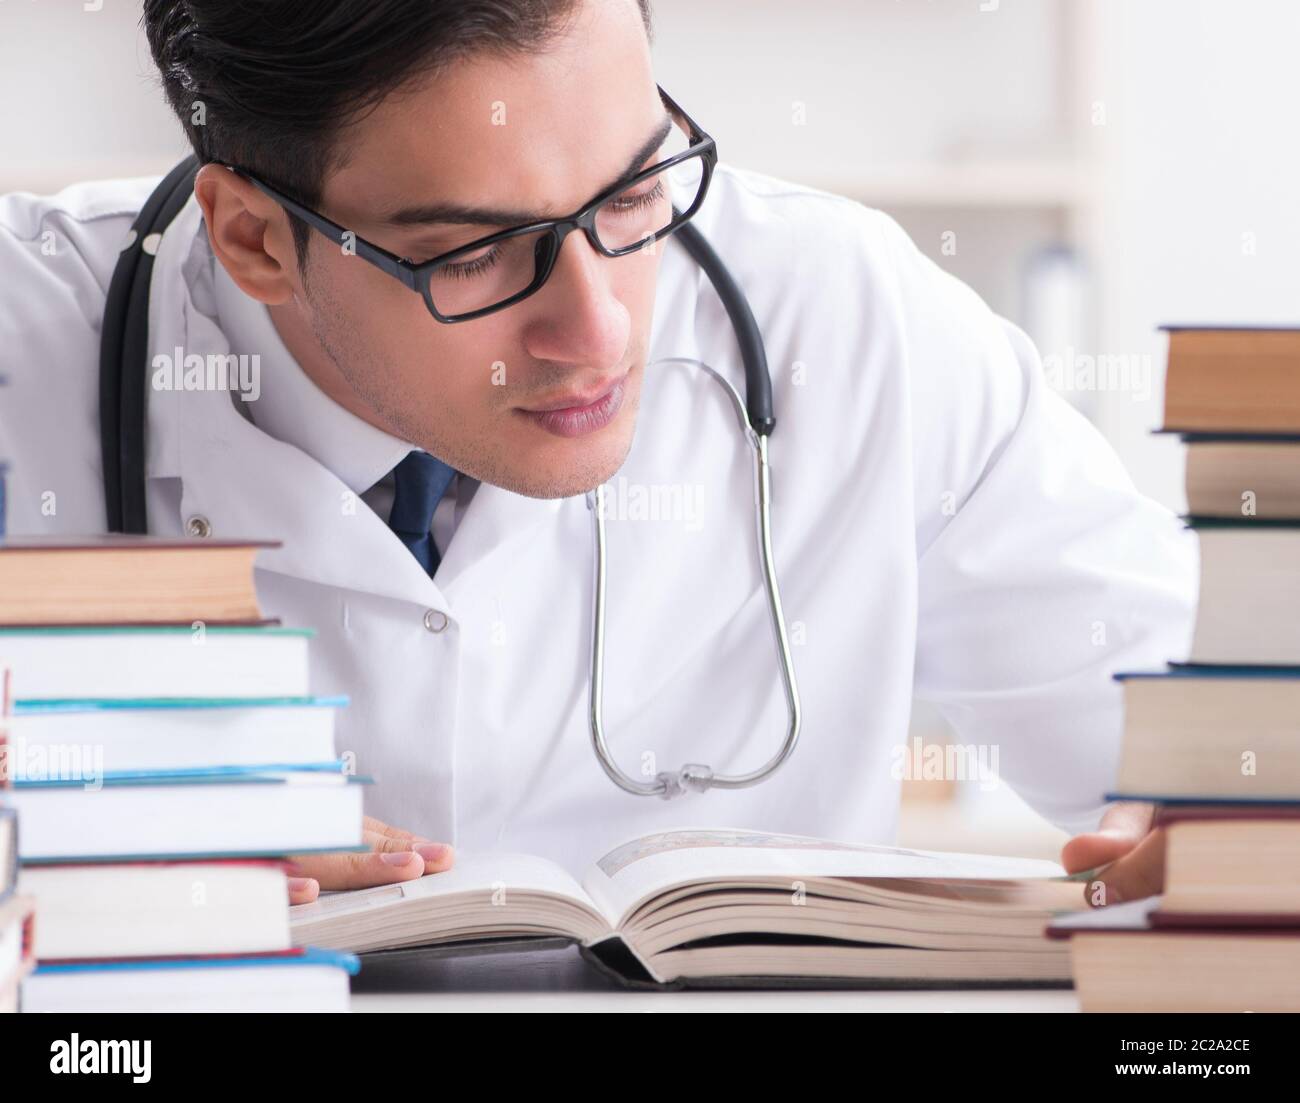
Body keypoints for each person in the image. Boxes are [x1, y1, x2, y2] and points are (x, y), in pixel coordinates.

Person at [0, 0, 1196, 906]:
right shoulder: (25, 341)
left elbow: (1207, 736)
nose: (599, 329)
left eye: (631, 192)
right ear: (256, 237)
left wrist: (1232, 826)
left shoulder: (850, 318)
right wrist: (46, 818)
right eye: (473, 252)